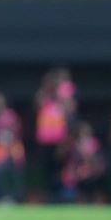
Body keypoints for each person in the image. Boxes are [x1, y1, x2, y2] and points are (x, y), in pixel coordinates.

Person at [34, 67, 76, 200]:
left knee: (62, 170)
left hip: (61, 140)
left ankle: (63, 196)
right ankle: (50, 196)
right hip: (46, 140)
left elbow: (70, 112)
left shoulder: (65, 96)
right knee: (47, 170)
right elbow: (38, 104)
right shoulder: (44, 96)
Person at [59, 122, 105, 203]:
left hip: (92, 173)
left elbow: (97, 160)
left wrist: (88, 155)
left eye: (86, 133)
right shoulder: (73, 145)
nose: (84, 136)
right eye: (82, 134)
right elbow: (64, 157)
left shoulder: (94, 143)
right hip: (77, 173)